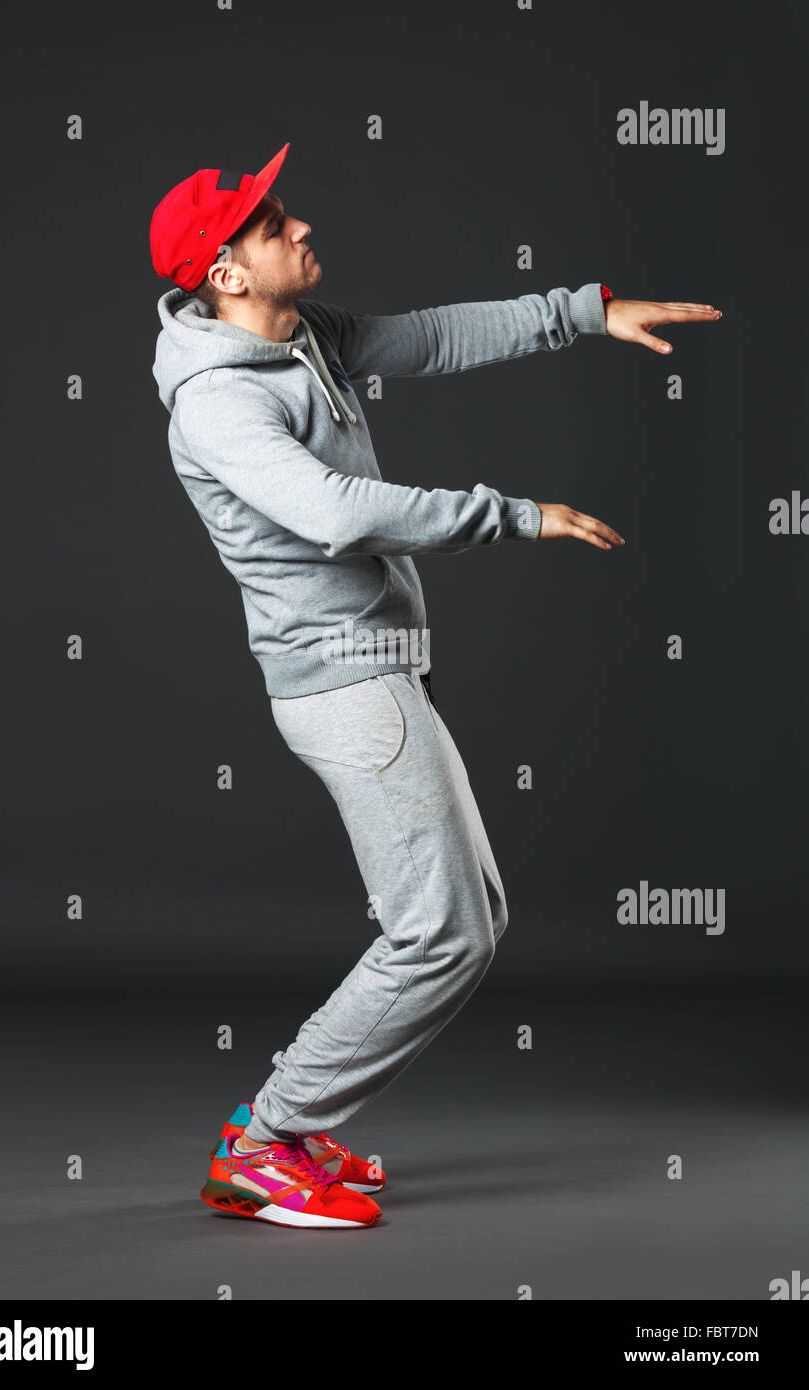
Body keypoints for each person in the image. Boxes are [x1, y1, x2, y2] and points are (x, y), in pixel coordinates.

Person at [149, 142, 722, 1230]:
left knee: (474, 913)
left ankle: (295, 1124)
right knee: (441, 930)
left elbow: (436, 335)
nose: (297, 224)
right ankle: (265, 1141)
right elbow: (336, 513)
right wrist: (515, 512)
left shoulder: (304, 336)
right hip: (340, 686)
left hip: (378, 669)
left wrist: (583, 311)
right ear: (224, 273)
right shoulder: (218, 402)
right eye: (270, 225)